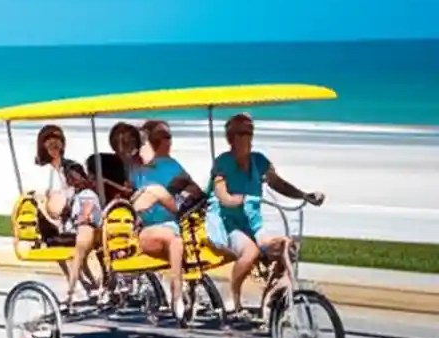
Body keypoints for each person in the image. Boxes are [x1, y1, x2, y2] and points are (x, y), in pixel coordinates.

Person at [204, 113, 325, 322]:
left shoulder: (259, 161)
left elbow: (278, 183)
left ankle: (273, 296)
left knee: (286, 247)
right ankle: (232, 297)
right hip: (225, 222)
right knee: (249, 252)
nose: (247, 137)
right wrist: (237, 200)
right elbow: (221, 195)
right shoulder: (223, 162)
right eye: (242, 132)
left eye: (250, 132)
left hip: (252, 223)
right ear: (231, 138)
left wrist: (305, 195)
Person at [127, 119, 202, 322]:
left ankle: (189, 295)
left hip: (175, 221)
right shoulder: (136, 170)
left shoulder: (171, 165)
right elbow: (129, 201)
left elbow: (196, 190)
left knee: (186, 237)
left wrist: (180, 191)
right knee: (174, 239)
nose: (167, 141)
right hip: (149, 228)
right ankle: (176, 290)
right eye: (161, 138)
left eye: (168, 137)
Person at [59, 160, 103, 309]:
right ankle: (91, 285)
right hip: (82, 229)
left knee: (78, 257)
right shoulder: (76, 195)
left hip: (90, 229)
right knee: (69, 256)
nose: (71, 181)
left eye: (73, 178)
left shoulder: (87, 194)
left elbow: (86, 212)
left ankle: (70, 293)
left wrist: (78, 219)